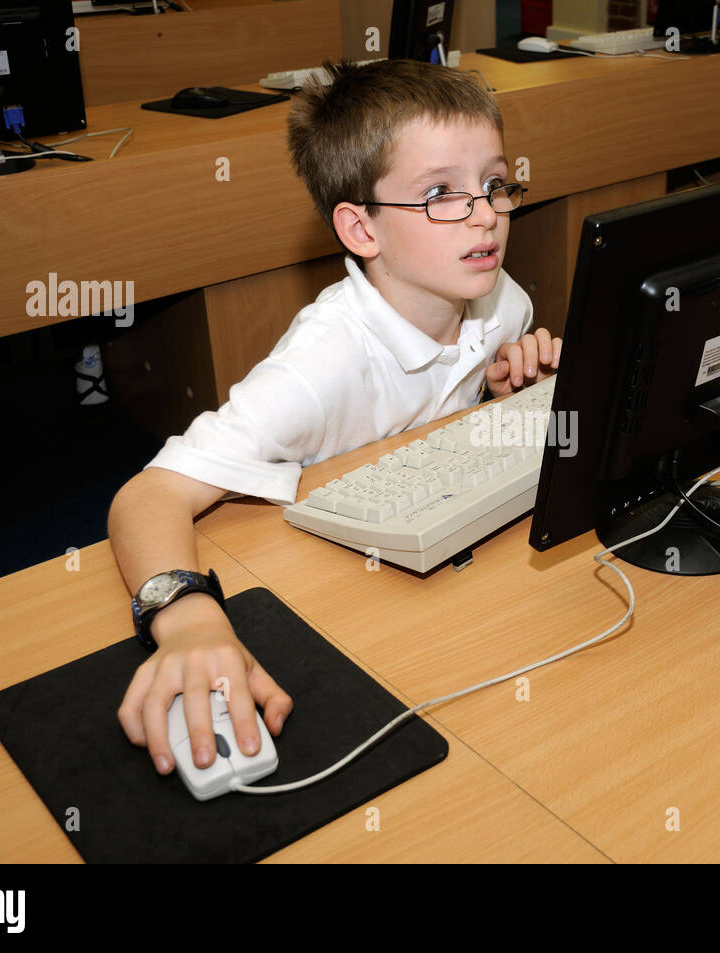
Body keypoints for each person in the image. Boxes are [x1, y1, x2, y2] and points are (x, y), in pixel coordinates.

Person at [108, 60, 560, 778]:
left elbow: (458, 393)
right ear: (361, 228)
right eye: (440, 193)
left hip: (425, 589)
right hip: (330, 600)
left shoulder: (499, 297)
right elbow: (148, 495)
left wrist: (505, 388)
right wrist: (189, 622)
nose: (485, 214)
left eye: (495, 184)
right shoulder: (322, 364)